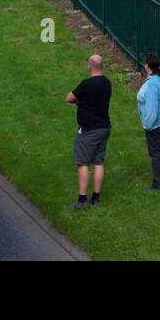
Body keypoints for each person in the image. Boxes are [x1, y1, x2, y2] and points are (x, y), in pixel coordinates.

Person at [66, 54, 111, 209]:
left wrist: (80, 102)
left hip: (89, 130)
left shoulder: (86, 85)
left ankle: (82, 200)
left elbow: (69, 98)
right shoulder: (107, 83)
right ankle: (96, 197)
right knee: (98, 161)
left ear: (90, 66)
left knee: (83, 162)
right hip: (104, 127)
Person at [137, 53, 160, 189]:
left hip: (156, 124)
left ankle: (159, 182)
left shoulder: (153, 84)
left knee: (156, 152)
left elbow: (152, 108)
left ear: (147, 66)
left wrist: (147, 125)